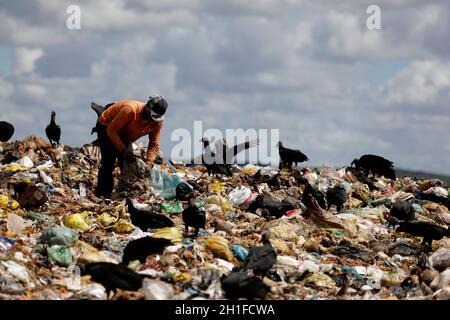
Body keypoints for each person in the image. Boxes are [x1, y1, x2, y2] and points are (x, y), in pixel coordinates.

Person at [94, 96, 168, 198]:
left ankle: (123, 192)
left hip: (125, 134)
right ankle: (103, 193)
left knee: (128, 164)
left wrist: (149, 163)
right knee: (108, 162)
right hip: (107, 126)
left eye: (155, 118)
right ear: (147, 107)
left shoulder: (156, 122)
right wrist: (123, 151)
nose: (152, 120)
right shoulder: (130, 110)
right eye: (152, 116)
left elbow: (154, 144)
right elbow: (112, 130)